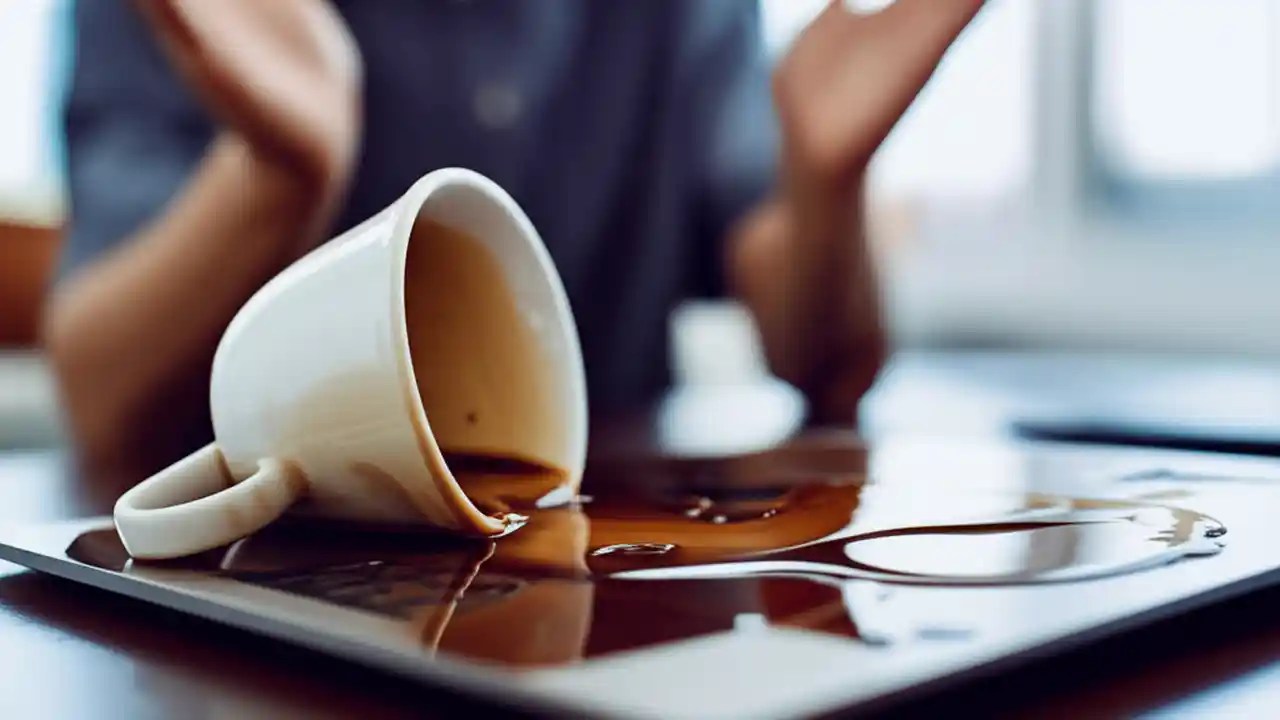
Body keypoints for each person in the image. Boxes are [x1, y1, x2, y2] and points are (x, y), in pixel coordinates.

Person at [45, 0, 983, 477]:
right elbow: (100, 400)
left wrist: (827, 180)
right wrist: (279, 174)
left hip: (594, 587)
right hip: (242, 601)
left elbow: (826, 360)